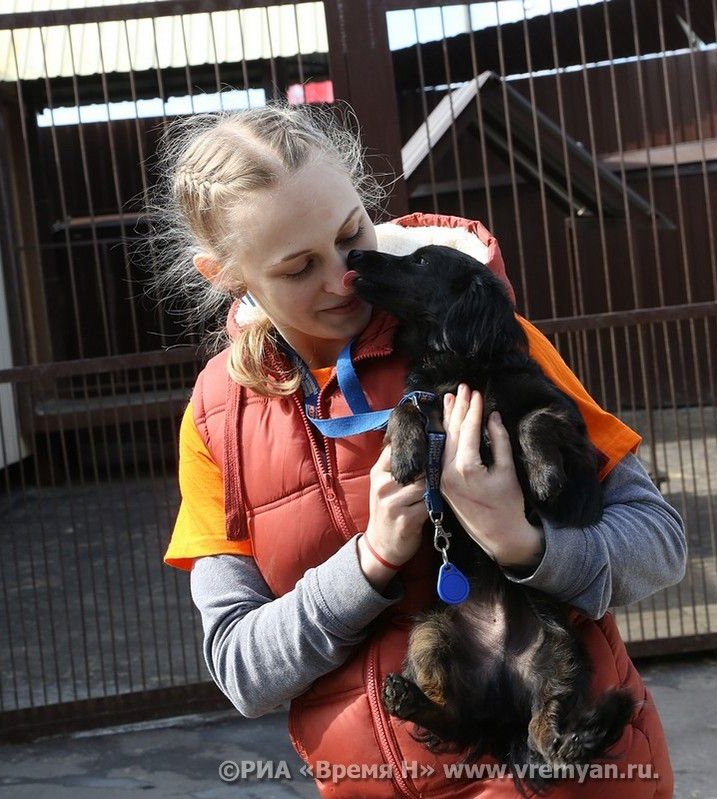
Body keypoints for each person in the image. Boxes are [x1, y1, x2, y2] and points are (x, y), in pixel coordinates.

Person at [158, 102, 686, 798]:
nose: (344, 275)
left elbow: (659, 542)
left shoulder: (488, 339)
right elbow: (242, 671)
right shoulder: (216, 418)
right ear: (225, 273)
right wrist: (370, 561)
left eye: (352, 233)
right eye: (297, 267)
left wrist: (527, 544)